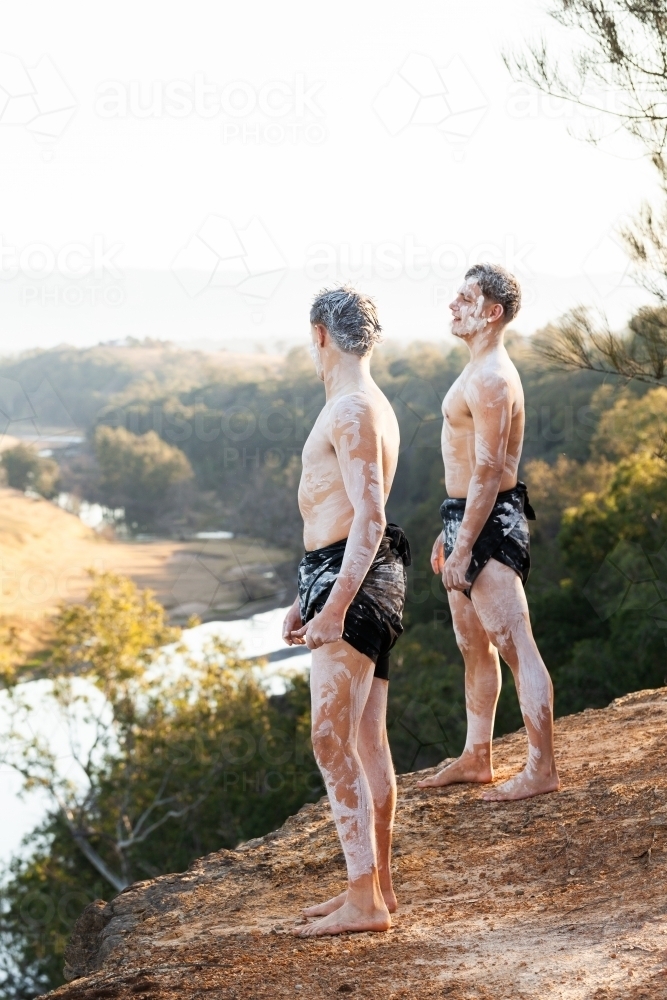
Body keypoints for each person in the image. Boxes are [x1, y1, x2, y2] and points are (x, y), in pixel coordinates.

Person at [282, 287, 410, 937]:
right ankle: (375, 889)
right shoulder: (357, 403)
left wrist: (330, 608)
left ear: (320, 335)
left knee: (328, 737)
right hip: (344, 576)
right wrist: (302, 599)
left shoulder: (354, 406)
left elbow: (369, 516)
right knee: (364, 739)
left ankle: (364, 901)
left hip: (352, 582)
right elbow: (332, 512)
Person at [418, 263, 560, 802]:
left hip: (489, 523)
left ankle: (541, 768)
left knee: (514, 643)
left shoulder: (493, 377)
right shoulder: (475, 370)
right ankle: (479, 756)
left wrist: (465, 543)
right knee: (473, 644)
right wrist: (449, 531)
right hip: (465, 517)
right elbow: (465, 474)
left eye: (464, 297)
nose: (452, 305)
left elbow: (488, 470)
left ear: (491, 312)